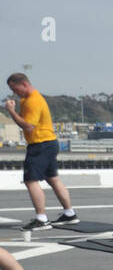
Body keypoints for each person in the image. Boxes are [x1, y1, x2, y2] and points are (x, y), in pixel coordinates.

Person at [5, 73, 78, 231]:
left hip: (40, 144)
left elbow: (28, 126)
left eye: (15, 89)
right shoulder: (27, 100)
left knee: (31, 180)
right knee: (53, 178)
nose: (14, 93)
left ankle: (41, 218)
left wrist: (11, 111)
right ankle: (69, 213)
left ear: (24, 84)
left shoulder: (33, 101)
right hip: (49, 143)